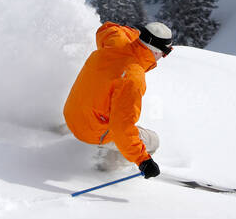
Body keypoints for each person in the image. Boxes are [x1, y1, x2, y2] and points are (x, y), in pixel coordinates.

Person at [63, 21, 174, 178]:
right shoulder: (133, 77)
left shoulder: (116, 42)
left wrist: (138, 35)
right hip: (91, 131)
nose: (163, 57)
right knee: (153, 140)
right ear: (157, 52)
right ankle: (105, 167)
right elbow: (122, 127)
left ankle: (102, 150)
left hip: (71, 114)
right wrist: (144, 160)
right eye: (166, 53)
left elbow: (108, 28)